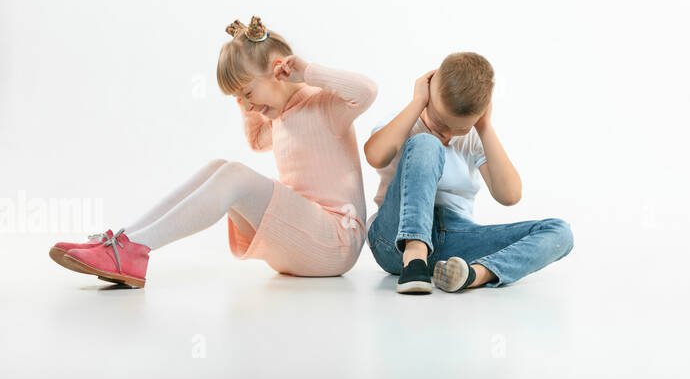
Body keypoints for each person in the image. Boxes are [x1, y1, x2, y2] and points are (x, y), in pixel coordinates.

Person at [49, 16, 377, 286]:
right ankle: (125, 239)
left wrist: (307, 72)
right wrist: (249, 106)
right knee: (219, 166)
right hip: (305, 237)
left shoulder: (324, 106)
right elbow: (257, 142)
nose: (249, 103)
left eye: (248, 91)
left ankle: (136, 249)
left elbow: (367, 91)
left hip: (336, 240)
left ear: (280, 70)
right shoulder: (280, 117)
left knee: (234, 175)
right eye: (241, 98)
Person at [363, 51, 573, 294]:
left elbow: (510, 195)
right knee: (426, 143)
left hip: (452, 239)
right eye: (440, 123)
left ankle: (472, 274)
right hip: (395, 239)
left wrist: (484, 127)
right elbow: (375, 156)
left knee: (560, 232)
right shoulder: (404, 123)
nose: (447, 134)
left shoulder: (474, 137)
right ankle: (415, 255)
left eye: (460, 129)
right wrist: (417, 102)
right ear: (428, 92)